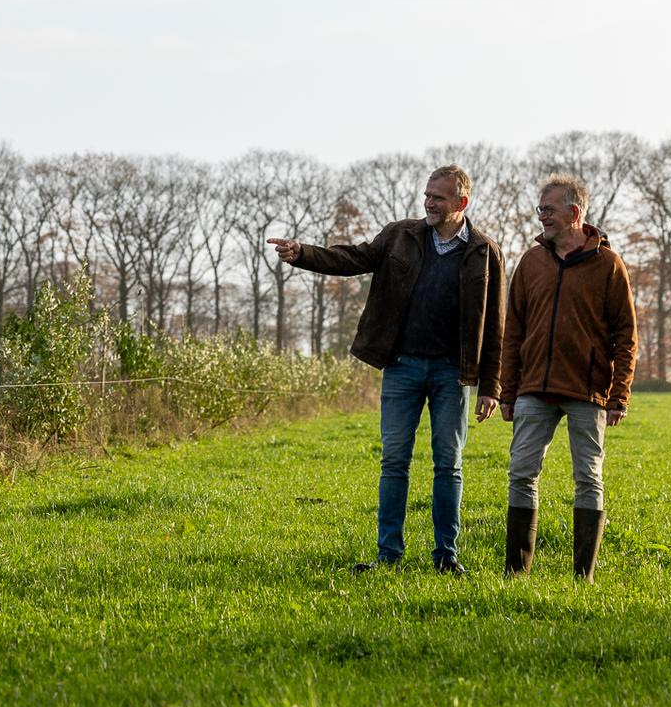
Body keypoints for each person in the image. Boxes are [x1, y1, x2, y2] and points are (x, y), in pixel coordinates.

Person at [268, 165, 505, 574]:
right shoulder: (401, 235)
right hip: (402, 367)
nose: (429, 203)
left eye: (438, 198)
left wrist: (491, 385)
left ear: (462, 202)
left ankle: (446, 557)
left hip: (452, 373)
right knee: (394, 462)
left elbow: (496, 324)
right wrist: (303, 253)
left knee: (448, 464)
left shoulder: (485, 252)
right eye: (427, 195)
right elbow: (353, 258)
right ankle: (388, 555)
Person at [498, 173, 637, 581]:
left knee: (588, 479)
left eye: (549, 210)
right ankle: (516, 574)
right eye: (540, 209)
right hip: (533, 390)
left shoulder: (609, 265)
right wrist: (508, 391)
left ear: (574, 213)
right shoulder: (530, 262)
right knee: (521, 474)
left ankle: (583, 576)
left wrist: (619, 395)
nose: (542, 216)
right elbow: (514, 331)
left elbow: (626, 335)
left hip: (587, 391)